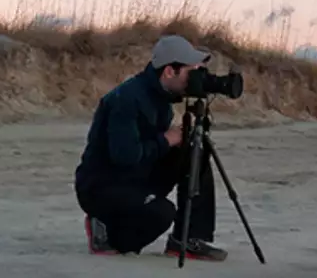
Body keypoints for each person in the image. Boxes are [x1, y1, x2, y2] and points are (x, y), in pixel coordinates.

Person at [73, 34, 228, 261]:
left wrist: (177, 144)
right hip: (102, 186)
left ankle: (188, 239)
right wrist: (166, 140)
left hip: (134, 176)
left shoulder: (162, 99)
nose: (195, 78)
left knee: (195, 152)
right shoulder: (126, 99)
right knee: (162, 213)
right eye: (190, 72)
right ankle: (103, 228)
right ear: (169, 71)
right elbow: (124, 156)